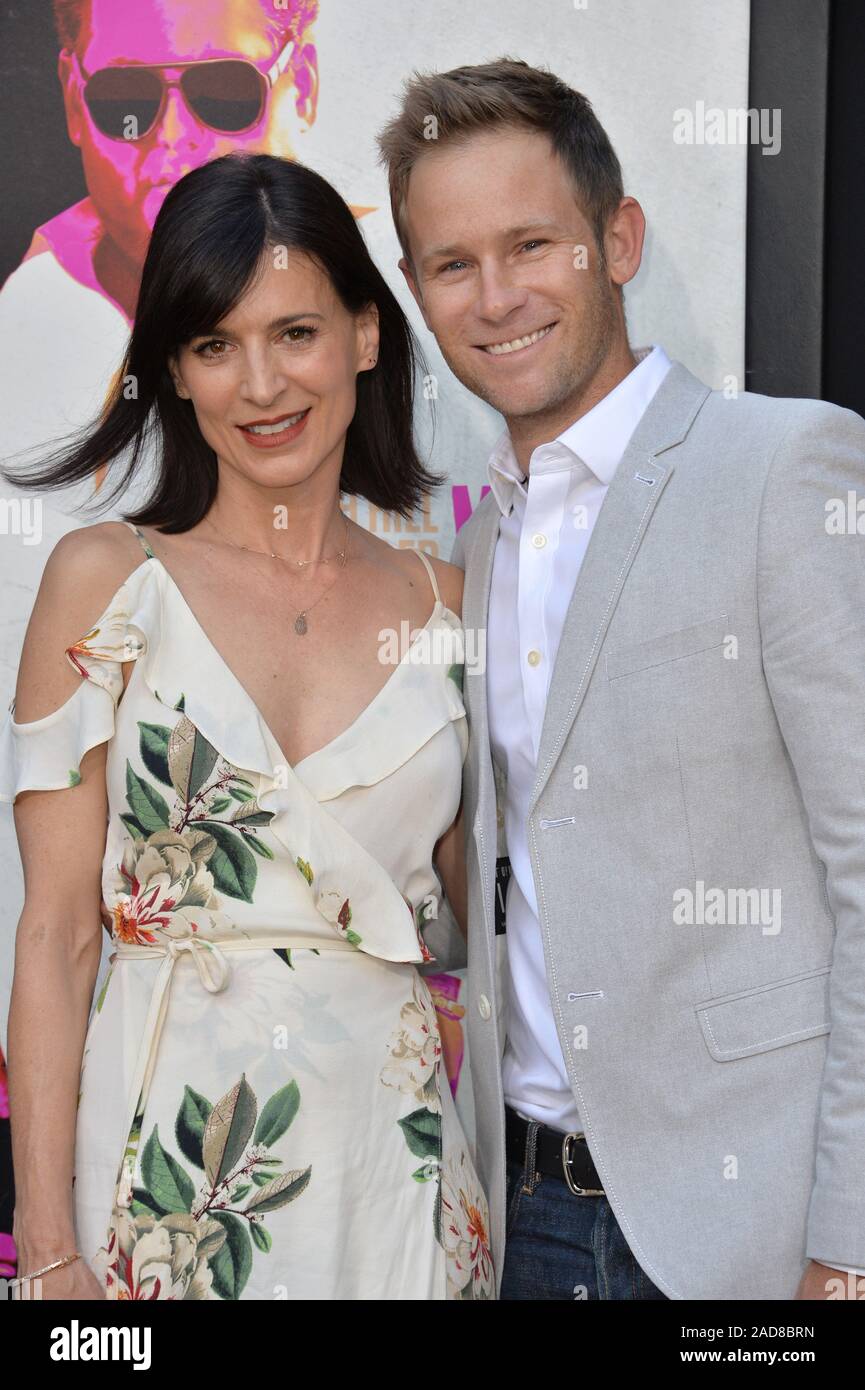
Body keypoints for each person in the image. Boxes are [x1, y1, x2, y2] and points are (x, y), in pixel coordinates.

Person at [376, 57, 865, 1300]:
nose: (496, 297)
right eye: (450, 264)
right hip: (524, 1213)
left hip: (746, 1229)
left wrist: (847, 1248)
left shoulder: (783, 466)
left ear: (619, 238)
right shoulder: (472, 545)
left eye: (531, 243)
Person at [0, 150, 493, 1301]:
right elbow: (56, 937)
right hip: (159, 1191)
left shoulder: (452, 609)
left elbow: (508, 921)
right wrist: (50, 1253)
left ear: (366, 336)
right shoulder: (104, 583)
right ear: (173, 369)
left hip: (396, 1179)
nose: (261, 383)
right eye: (215, 344)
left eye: (296, 333)